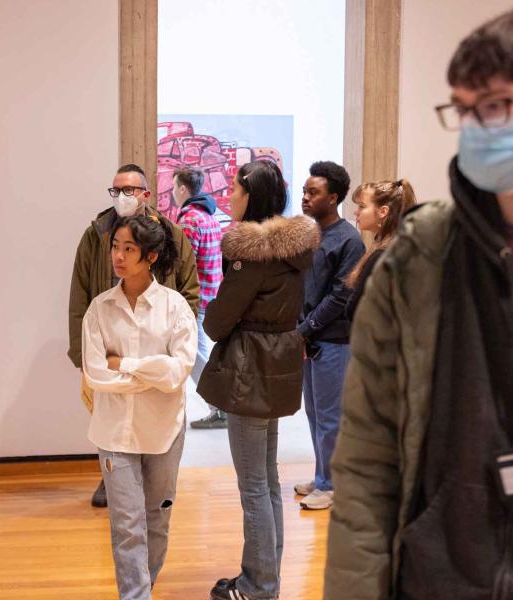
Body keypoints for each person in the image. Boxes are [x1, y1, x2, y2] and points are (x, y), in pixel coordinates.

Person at [325, 5, 513, 599]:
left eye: (497, 107)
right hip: (439, 577)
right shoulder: (418, 262)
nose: (476, 128)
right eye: (464, 109)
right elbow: (368, 464)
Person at [198, 160, 320, 600]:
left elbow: (217, 321)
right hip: (278, 367)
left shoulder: (250, 258)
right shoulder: (294, 253)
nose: (227, 194)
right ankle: (265, 578)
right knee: (266, 481)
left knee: (254, 484)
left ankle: (258, 586)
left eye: (234, 187)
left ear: (252, 195)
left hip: (249, 370)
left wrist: (216, 310)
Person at [68, 164, 200, 508]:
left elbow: (189, 289)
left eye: (129, 190)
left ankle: (153, 480)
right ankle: (114, 477)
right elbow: (79, 296)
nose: (122, 197)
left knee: (156, 417)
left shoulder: (171, 234)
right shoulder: (96, 234)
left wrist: (174, 335)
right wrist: (80, 353)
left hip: (159, 342)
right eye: (116, 191)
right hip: (108, 340)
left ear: (145, 193)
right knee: (111, 411)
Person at [82, 215, 197, 600]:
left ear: (149, 256)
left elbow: (178, 371)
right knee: (127, 524)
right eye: (115, 246)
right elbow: (97, 374)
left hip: (164, 429)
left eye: (128, 249)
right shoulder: (99, 309)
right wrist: (150, 372)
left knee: (157, 517)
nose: (118, 255)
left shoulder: (175, 307)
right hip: (115, 432)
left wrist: (125, 365)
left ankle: (142, 587)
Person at [295, 161, 364, 510]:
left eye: (313, 192)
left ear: (333, 197)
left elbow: (341, 295)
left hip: (334, 340)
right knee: (314, 413)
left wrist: (307, 329)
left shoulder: (349, 240)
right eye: (305, 191)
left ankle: (332, 484)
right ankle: (322, 475)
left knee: (331, 415)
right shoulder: (310, 234)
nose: (305, 197)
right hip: (309, 339)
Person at [172, 167, 226, 429]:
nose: (172, 193)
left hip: (195, 299)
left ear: (183, 189)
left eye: (174, 187)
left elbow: (183, 263)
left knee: (193, 355)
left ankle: (221, 405)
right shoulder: (209, 216)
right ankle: (219, 405)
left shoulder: (190, 220)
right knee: (198, 352)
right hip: (210, 296)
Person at [344, 179, 417, 321]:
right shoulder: (405, 247)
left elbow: (354, 310)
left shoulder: (381, 255)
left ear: (383, 211)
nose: (356, 212)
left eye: (361, 206)